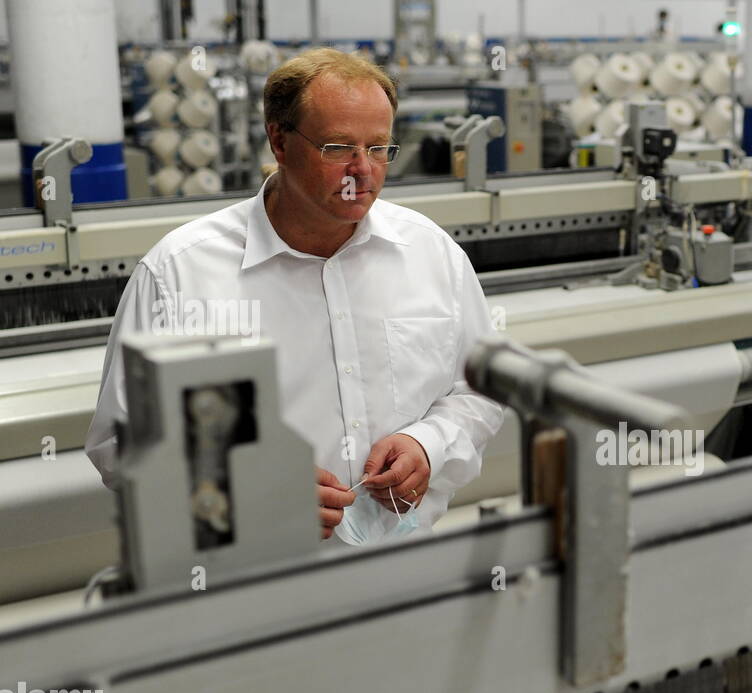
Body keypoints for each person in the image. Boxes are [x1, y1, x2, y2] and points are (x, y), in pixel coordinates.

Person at [86, 48, 504, 542]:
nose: (363, 171)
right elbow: (120, 443)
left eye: (378, 148)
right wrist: (245, 495)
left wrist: (429, 445)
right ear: (279, 142)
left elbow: (481, 388)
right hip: (252, 579)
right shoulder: (180, 274)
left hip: (402, 566)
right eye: (338, 148)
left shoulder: (431, 254)